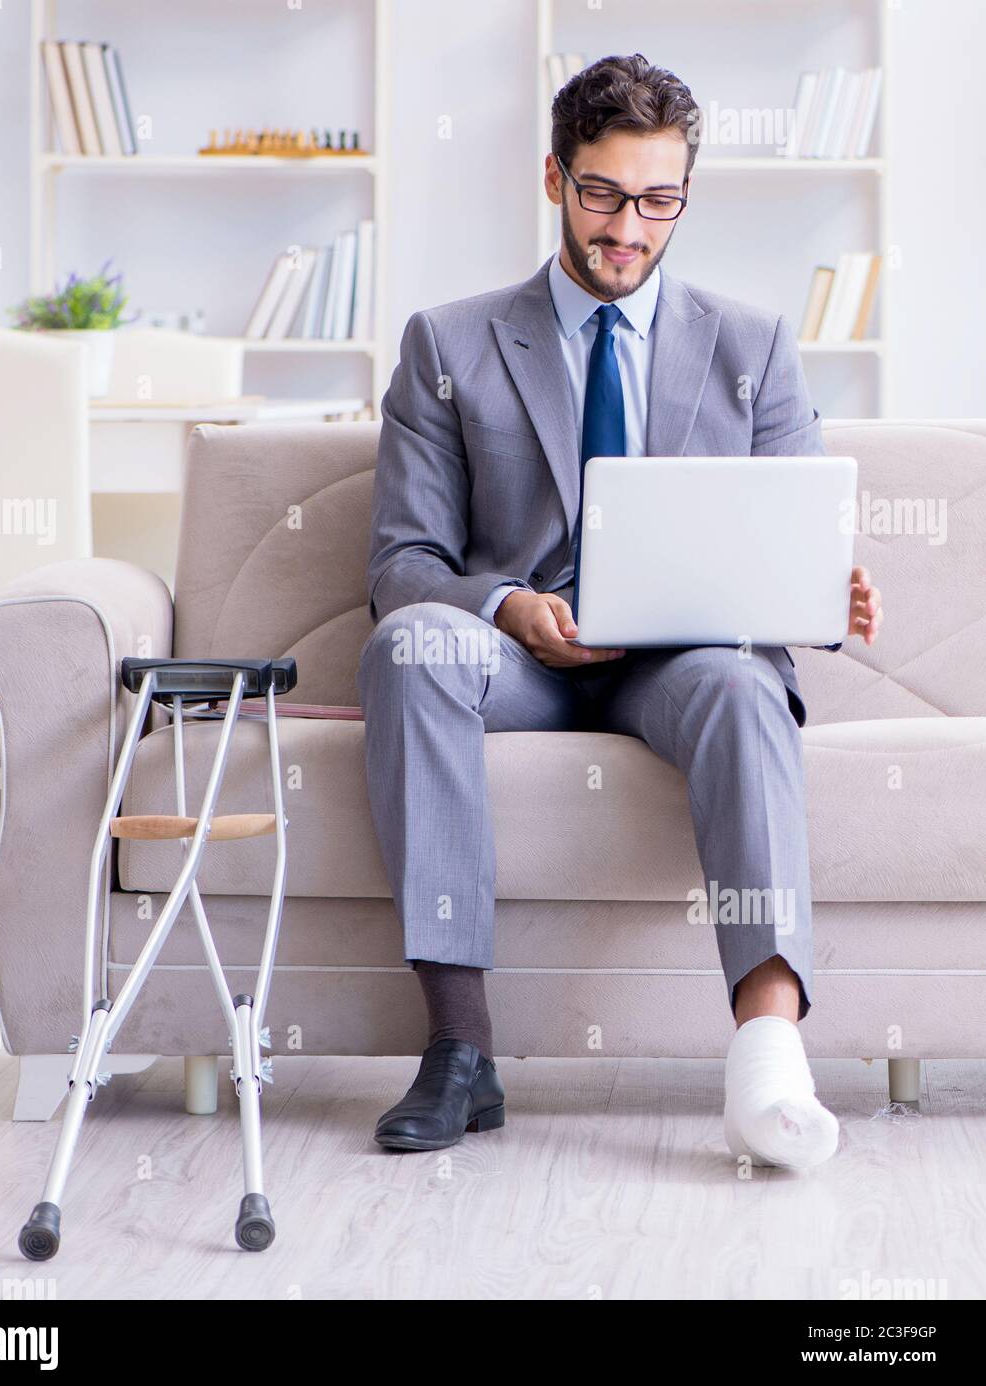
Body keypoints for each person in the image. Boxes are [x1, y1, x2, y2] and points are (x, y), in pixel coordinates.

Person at [357, 53, 884, 1170]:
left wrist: (817, 586)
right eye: (601, 195)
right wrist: (505, 607)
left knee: (745, 684)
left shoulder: (750, 347)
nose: (626, 229)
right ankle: (460, 1049)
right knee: (411, 645)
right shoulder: (446, 345)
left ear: (684, 194)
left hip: (675, 663)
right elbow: (403, 561)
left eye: (657, 200)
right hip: (517, 660)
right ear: (554, 177)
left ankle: (766, 1052)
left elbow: (787, 533)